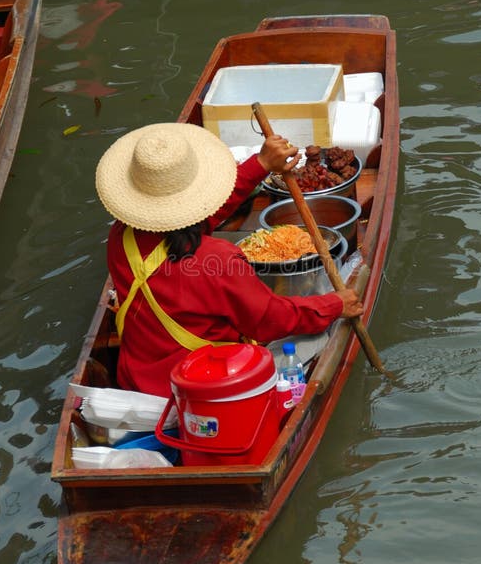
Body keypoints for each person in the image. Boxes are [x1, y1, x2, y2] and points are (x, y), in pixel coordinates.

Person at [95, 122, 363, 397]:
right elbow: (270, 319)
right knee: (320, 334)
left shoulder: (121, 236)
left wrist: (260, 164)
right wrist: (332, 305)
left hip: (136, 382)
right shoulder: (217, 260)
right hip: (205, 392)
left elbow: (195, 221)